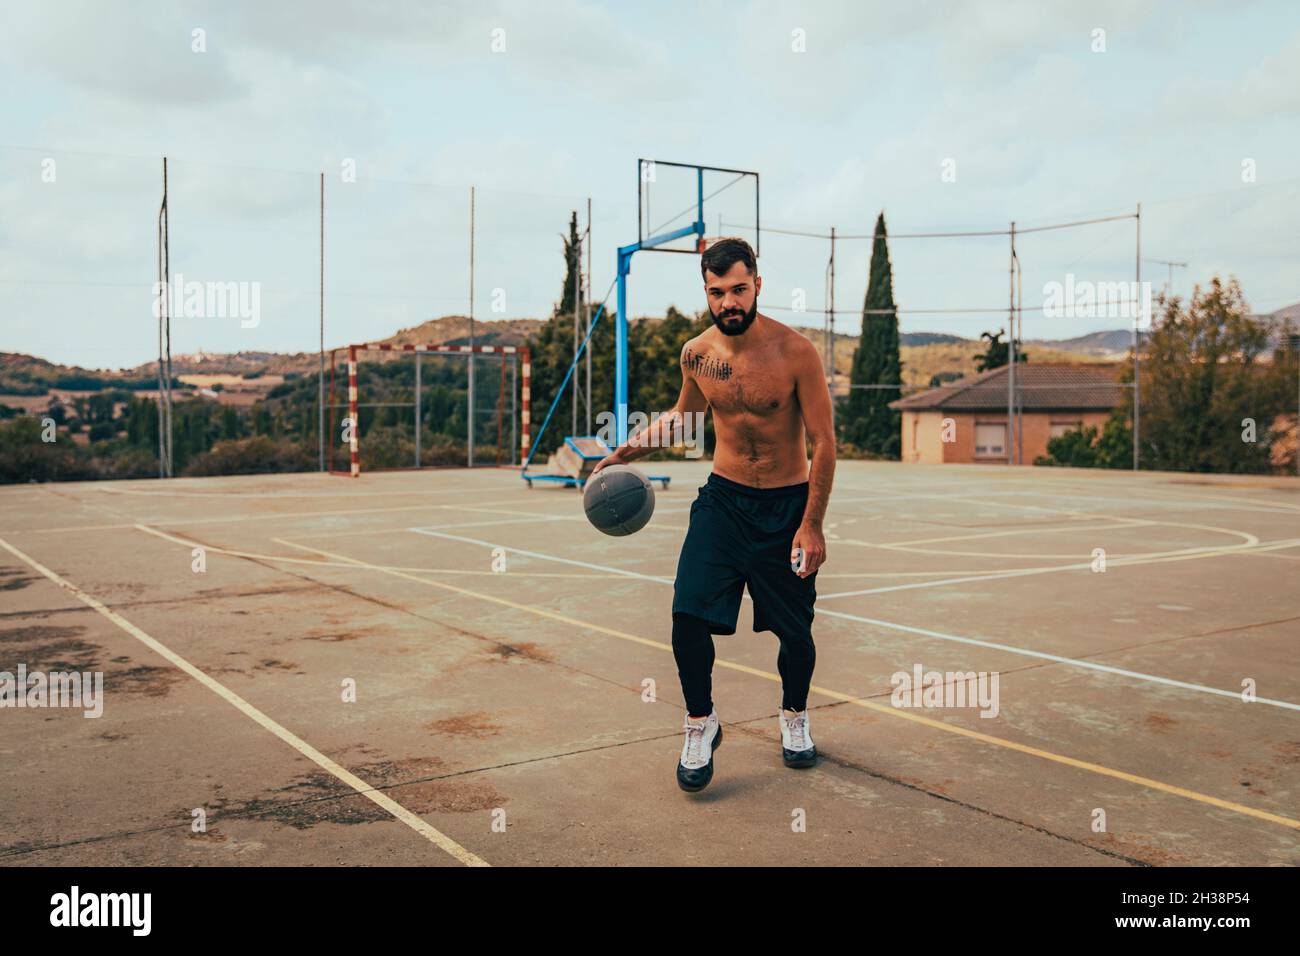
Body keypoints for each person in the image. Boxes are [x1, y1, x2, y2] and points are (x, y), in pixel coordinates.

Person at [592, 237, 836, 792]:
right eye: (717, 292)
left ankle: (794, 717)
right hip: (723, 502)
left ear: (758, 285)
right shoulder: (696, 353)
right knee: (686, 615)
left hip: (786, 507)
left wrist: (812, 523)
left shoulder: (796, 353)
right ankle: (701, 722)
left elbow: (824, 442)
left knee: (796, 633)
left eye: (739, 290)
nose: (729, 302)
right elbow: (684, 416)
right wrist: (627, 450)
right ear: (706, 291)